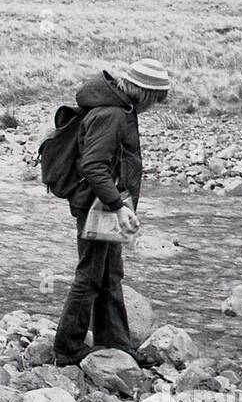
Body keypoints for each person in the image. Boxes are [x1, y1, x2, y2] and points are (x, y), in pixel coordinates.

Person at [53, 58, 170, 365]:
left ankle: (115, 344)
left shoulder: (119, 109)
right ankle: (67, 349)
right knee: (90, 276)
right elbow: (93, 165)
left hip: (104, 204)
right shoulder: (112, 114)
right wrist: (118, 207)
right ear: (143, 93)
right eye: (155, 99)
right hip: (97, 206)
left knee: (109, 274)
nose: (154, 106)